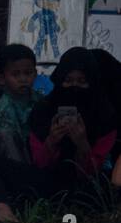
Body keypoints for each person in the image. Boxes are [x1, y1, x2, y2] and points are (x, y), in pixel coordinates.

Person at [0, 43, 53, 223]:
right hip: (17, 168)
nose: (23, 79)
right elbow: (8, 148)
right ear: (2, 78)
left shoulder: (41, 101)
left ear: (35, 74)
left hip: (41, 164)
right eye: (16, 74)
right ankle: (6, 209)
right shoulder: (5, 109)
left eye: (28, 73)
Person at [27, 46, 118, 209]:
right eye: (68, 81)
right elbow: (38, 164)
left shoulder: (105, 116)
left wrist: (82, 144)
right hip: (47, 183)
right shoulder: (43, 111)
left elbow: (95, 172)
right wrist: (51, 141)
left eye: (82, 81)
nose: (74, 87)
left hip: (90, 189)